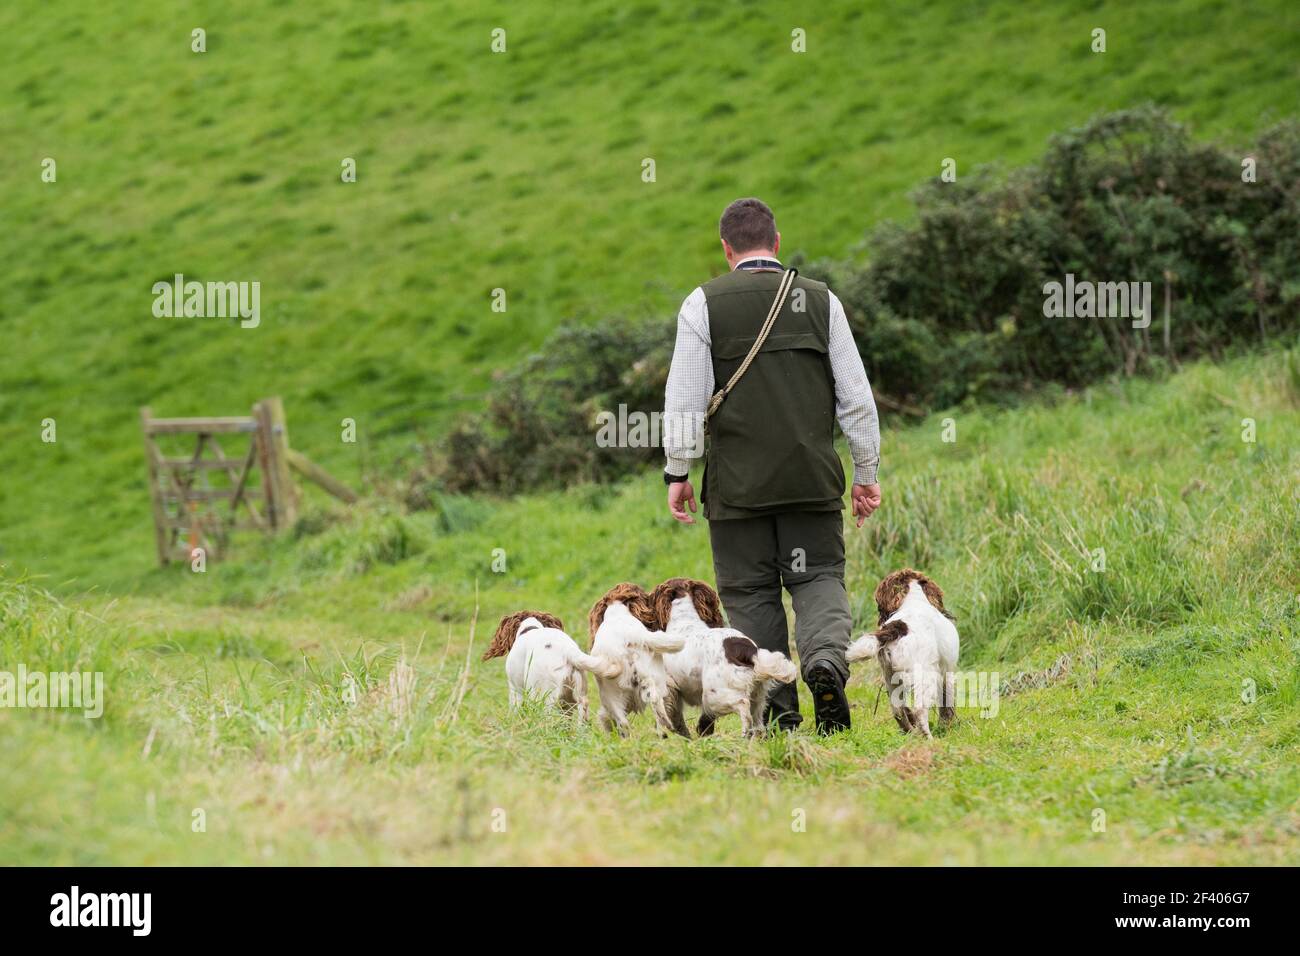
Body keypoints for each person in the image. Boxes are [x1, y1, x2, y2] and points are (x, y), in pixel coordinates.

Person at [661, 197, 881, 734]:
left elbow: (685, 400)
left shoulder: (702, 304)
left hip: (738, 491)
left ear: (726, 248)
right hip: (812, 482)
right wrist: (867, 473)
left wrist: (677, 472)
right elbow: (856, 399)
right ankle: (826, 662)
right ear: (776, 243)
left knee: (751, 594)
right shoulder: (821, 300)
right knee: (819, 578)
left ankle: (781, 711)